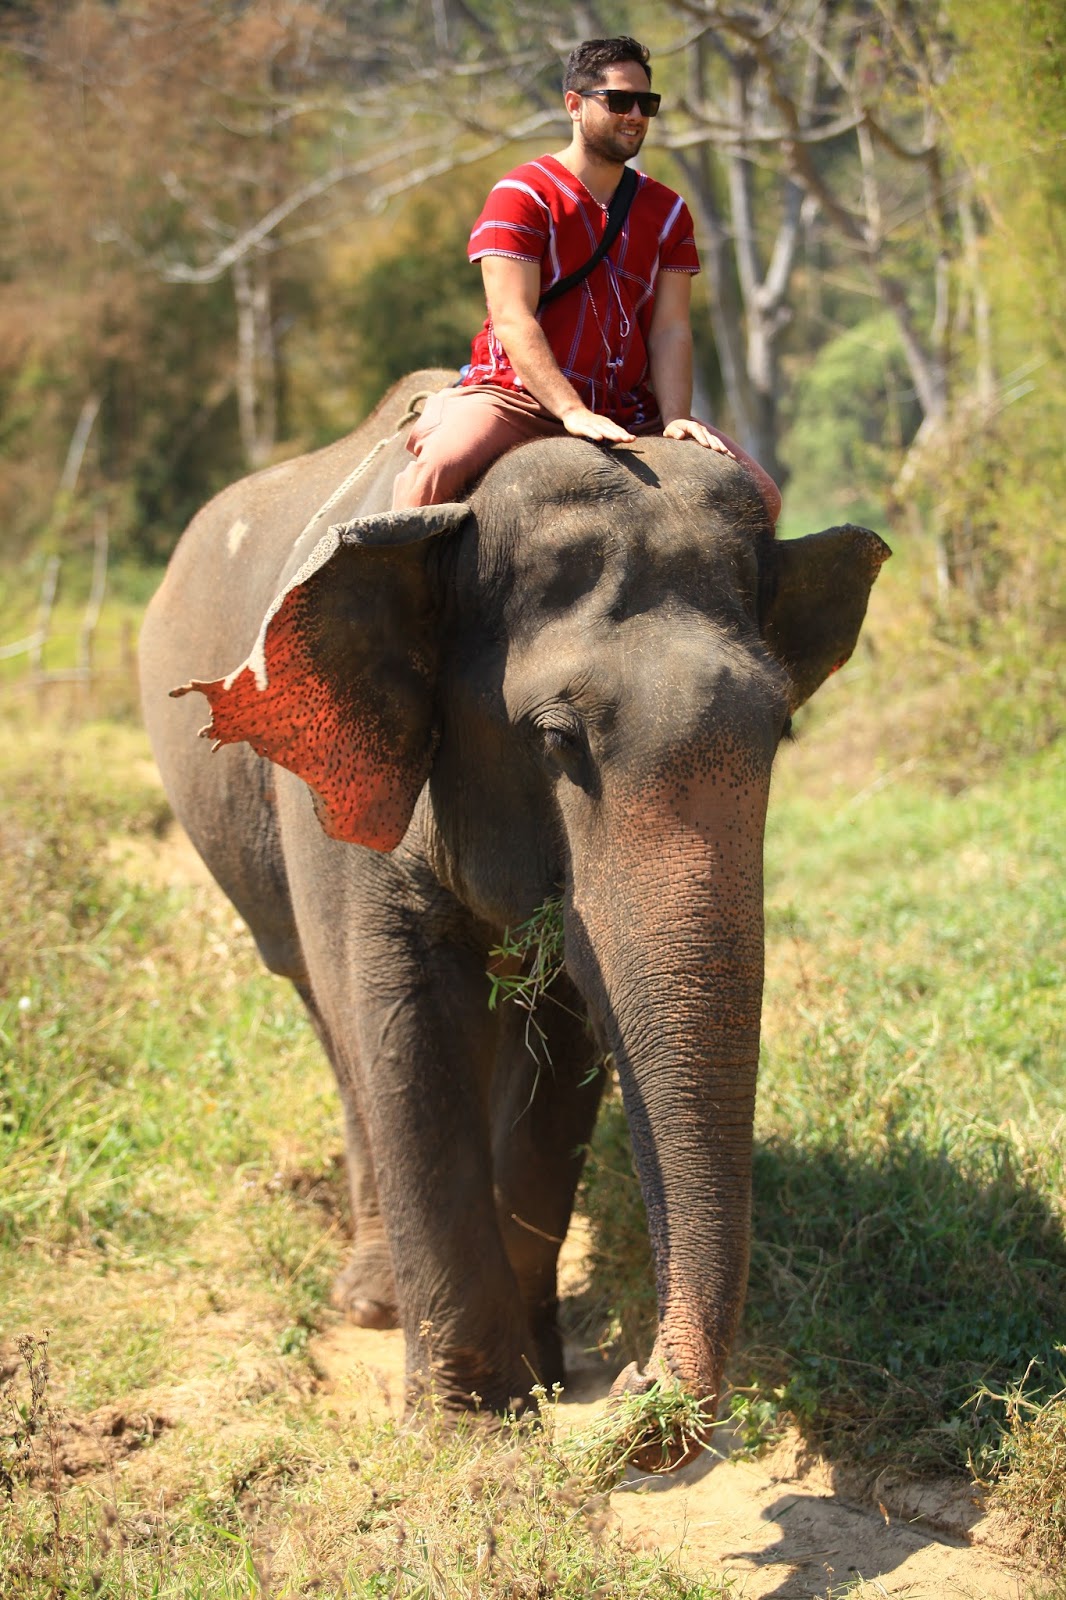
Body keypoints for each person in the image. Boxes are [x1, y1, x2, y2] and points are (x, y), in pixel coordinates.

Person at [391, 35, 781, 523]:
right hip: (518, 400)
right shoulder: (521, 195)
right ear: (574, 105)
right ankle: (373, 587)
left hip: (630, 411)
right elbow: (512, 318)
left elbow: (671, 329)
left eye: (646, 102)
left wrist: (677, 417)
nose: (635, 114)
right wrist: (570, 411)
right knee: (437, 470)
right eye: (619, 101)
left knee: (762, 498)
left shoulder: (668, 212)